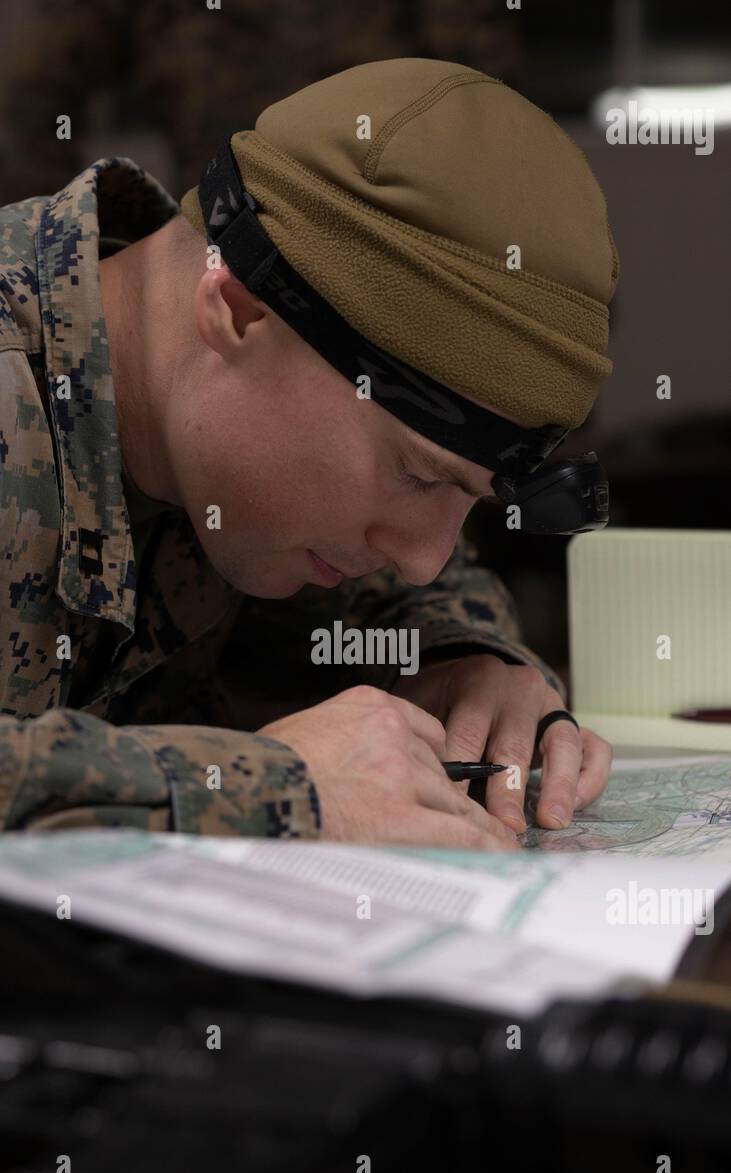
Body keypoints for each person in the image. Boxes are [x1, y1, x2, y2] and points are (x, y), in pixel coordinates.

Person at [0, 58, 616, 848]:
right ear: (241, 307)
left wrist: (463, 664)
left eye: (466, 496)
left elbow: (417, 599)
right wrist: (266, 786)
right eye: (417, 475)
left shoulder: (222, 445)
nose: (425, 557)